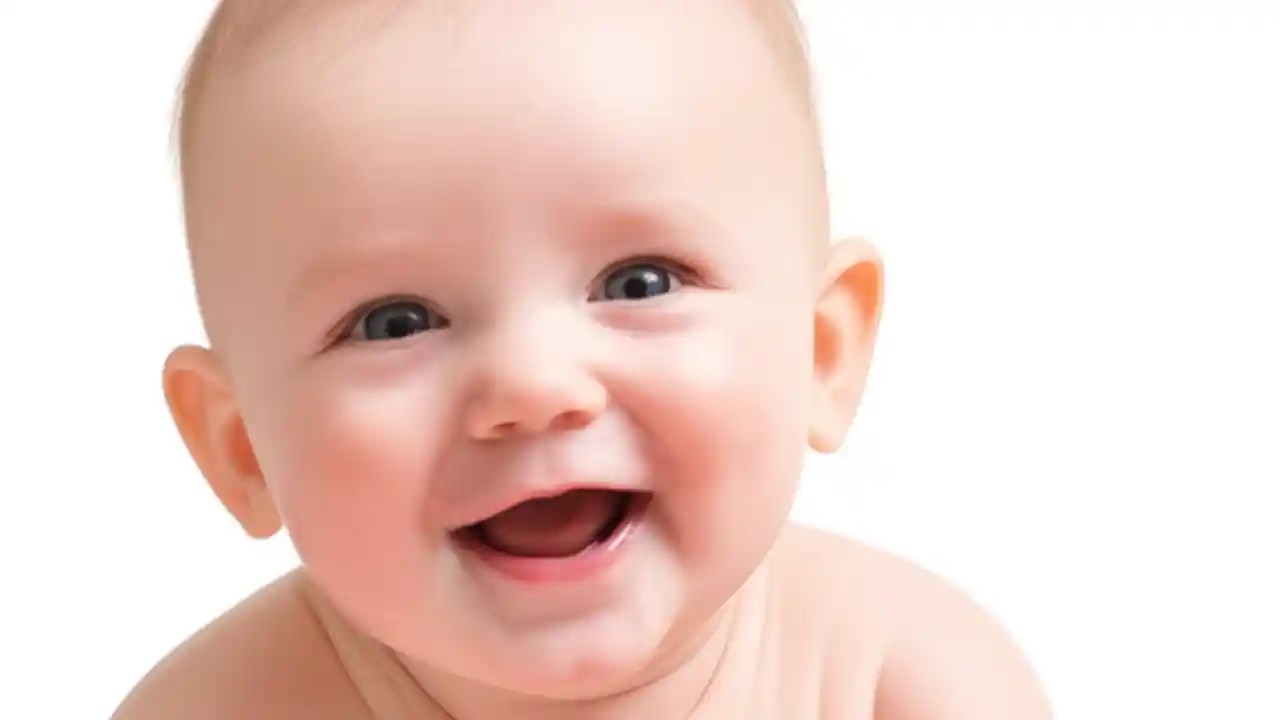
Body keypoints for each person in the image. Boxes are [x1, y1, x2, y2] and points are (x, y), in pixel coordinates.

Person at [113, 0, 1051, 717]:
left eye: (639, 283)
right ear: (241, 450)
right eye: (395, 321)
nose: (532, 385)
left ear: (821, 353)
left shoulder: (898, 685)